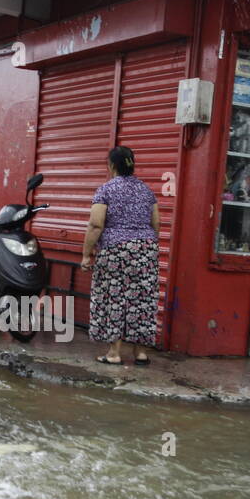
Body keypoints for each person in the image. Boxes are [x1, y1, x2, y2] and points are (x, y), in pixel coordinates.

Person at [80, 146, 160, 365]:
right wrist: (145, 247)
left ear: (111, 165)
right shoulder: (146, 190)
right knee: (141, 299)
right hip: (146, 249)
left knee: (113, 297)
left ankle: (114, 354)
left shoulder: (105, 190)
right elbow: (156, 223)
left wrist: (86, 255)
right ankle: (140, 353)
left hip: (115, 250)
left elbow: (96, 225)